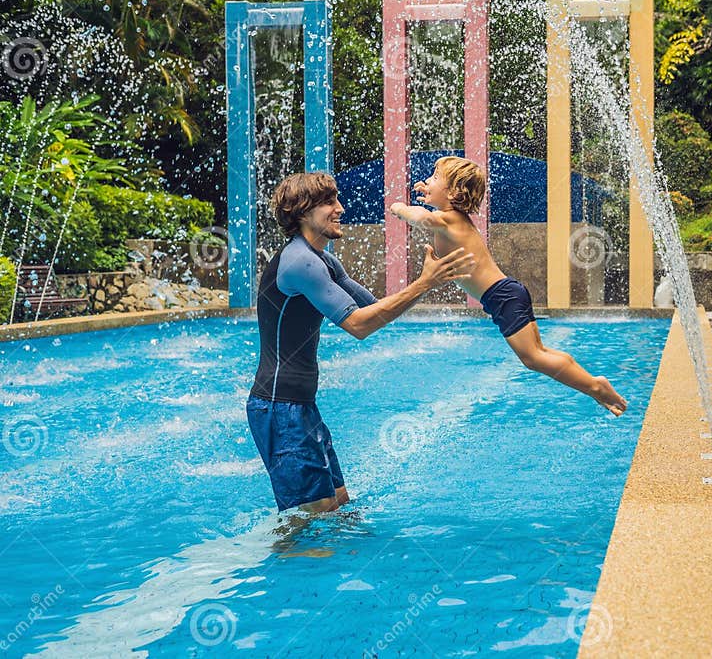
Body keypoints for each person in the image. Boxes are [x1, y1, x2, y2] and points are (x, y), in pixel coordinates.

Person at [247, 171, 476, 515]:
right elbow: (357, 325)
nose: (340, 208)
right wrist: (424, 284)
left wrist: (427, 276)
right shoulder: (300, 262)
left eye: (337, 199)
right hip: (280, 409)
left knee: (338, 506)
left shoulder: (323, 259)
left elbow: (372, 308)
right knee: (309, 522)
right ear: (302, 212)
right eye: (328, 202)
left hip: (300, 406)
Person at [389, 156, 628, 416]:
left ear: (454, 192)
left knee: (532, 359)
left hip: (502, 296)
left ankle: (594, 386)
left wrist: (399, 207)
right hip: (504, 294)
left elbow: (421, 217)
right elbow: (430, 215)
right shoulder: (450, 217)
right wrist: (432, 193)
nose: (428, 182)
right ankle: (593, 385)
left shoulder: (450, 219)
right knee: (540, 352)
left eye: (435, 178)